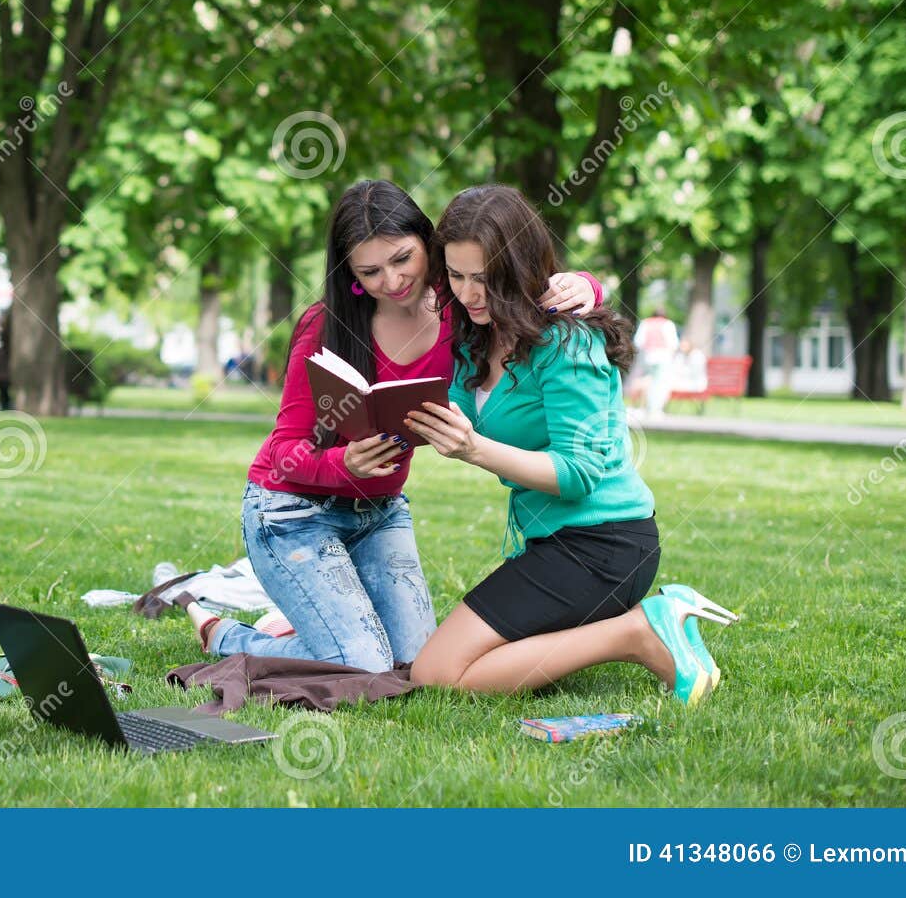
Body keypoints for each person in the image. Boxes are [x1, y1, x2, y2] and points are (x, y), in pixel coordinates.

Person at [178, 180, 604, 673]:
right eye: (370, 271)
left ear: (429, 243)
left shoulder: (463, 303)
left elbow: (526, 284)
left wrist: (587, 285)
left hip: (380, 510)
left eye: (403, 259)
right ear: (351, 273)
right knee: (365, 668)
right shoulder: (327, 326)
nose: (393, 280)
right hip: (291, 511)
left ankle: (307, 625)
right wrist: (343, 462)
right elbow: (283, 451)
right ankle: (226, 634)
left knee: (415, 665)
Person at [404, 186, 733, 704]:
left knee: (437, 675)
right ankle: (631, 631)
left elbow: (579, 475)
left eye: (485, 279)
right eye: (457, 276)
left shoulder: (566, 343)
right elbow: (450, 408)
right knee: (447, 667)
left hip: (606, 546)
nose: (469, 294)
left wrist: (473, 449)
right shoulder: (473, 341)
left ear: (518, 269)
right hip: (553, 544)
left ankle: (640, 632)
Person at [634, 308, 679, 418]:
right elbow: (673, 343)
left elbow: (638, 341)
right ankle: (655, 409)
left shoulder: (646, 323)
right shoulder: (668, 324)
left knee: (647, 381)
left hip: (648, 357)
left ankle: (644, 408)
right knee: (660, 384)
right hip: (663, 357)